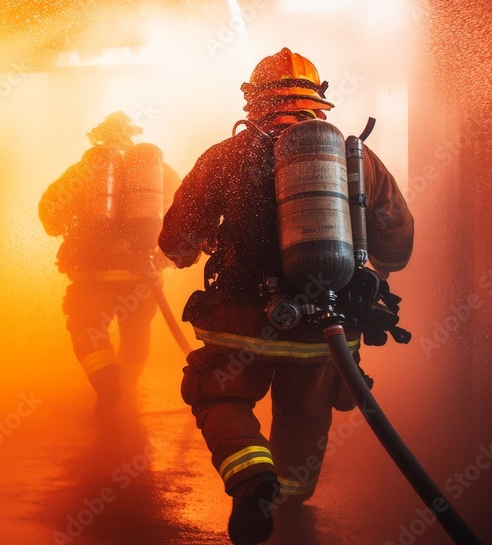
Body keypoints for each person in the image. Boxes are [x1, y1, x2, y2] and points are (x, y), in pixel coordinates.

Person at [158, 48, 413, 544]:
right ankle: (290, 508)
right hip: (326, 327)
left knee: (221, 396)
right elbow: (396, 242)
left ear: (254, 99)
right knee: (304, 417)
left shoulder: (224, 156)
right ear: (318, 99)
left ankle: (252, 480)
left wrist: (194, 249)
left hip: (242, 324)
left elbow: (177, 241)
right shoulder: (355, 155)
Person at [39, 111, 181, 412]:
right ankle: (126, 389)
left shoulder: (83, 171)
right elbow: (183, 210)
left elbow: (50, 214)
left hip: (93, 276)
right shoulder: (160, 172)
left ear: (100, 137)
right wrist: (164, 254)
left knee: (88, 331)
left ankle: (108, 389)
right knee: (136, 333)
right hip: (142, 277)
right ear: (132, 134)